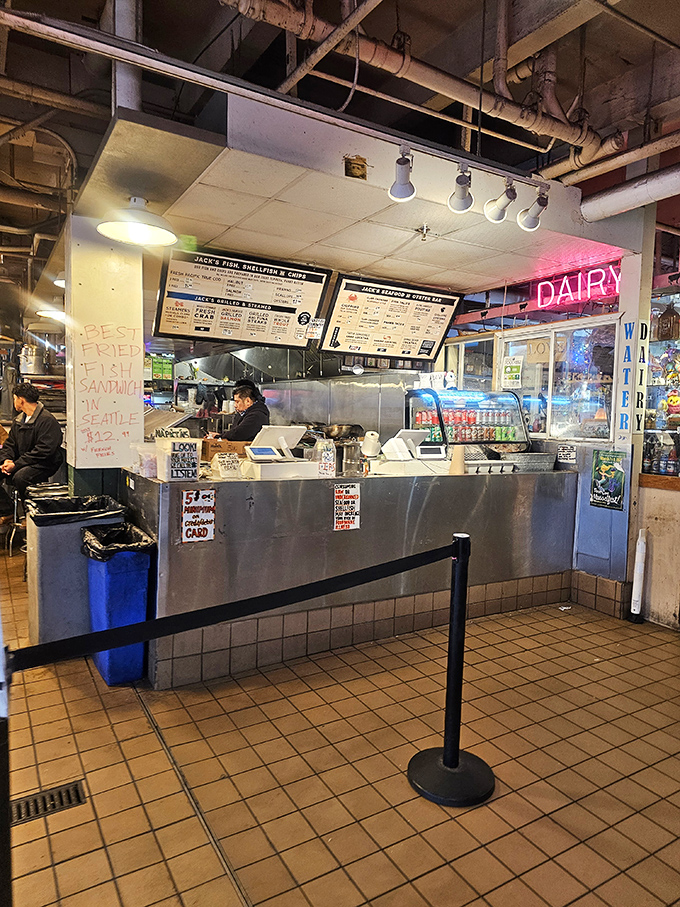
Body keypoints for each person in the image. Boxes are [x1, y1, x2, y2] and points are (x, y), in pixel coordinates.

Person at [0, 382, 64, 505]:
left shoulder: (47, 420)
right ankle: (6, 509)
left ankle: (30, 511)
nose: (14, 402)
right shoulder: (18, 420)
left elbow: (43, 451)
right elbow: (10, 444)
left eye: (14, 399)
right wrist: (7, 460)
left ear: (21, 400)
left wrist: (16, 464)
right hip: (23, 461)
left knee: (21, 478)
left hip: (43, 463)